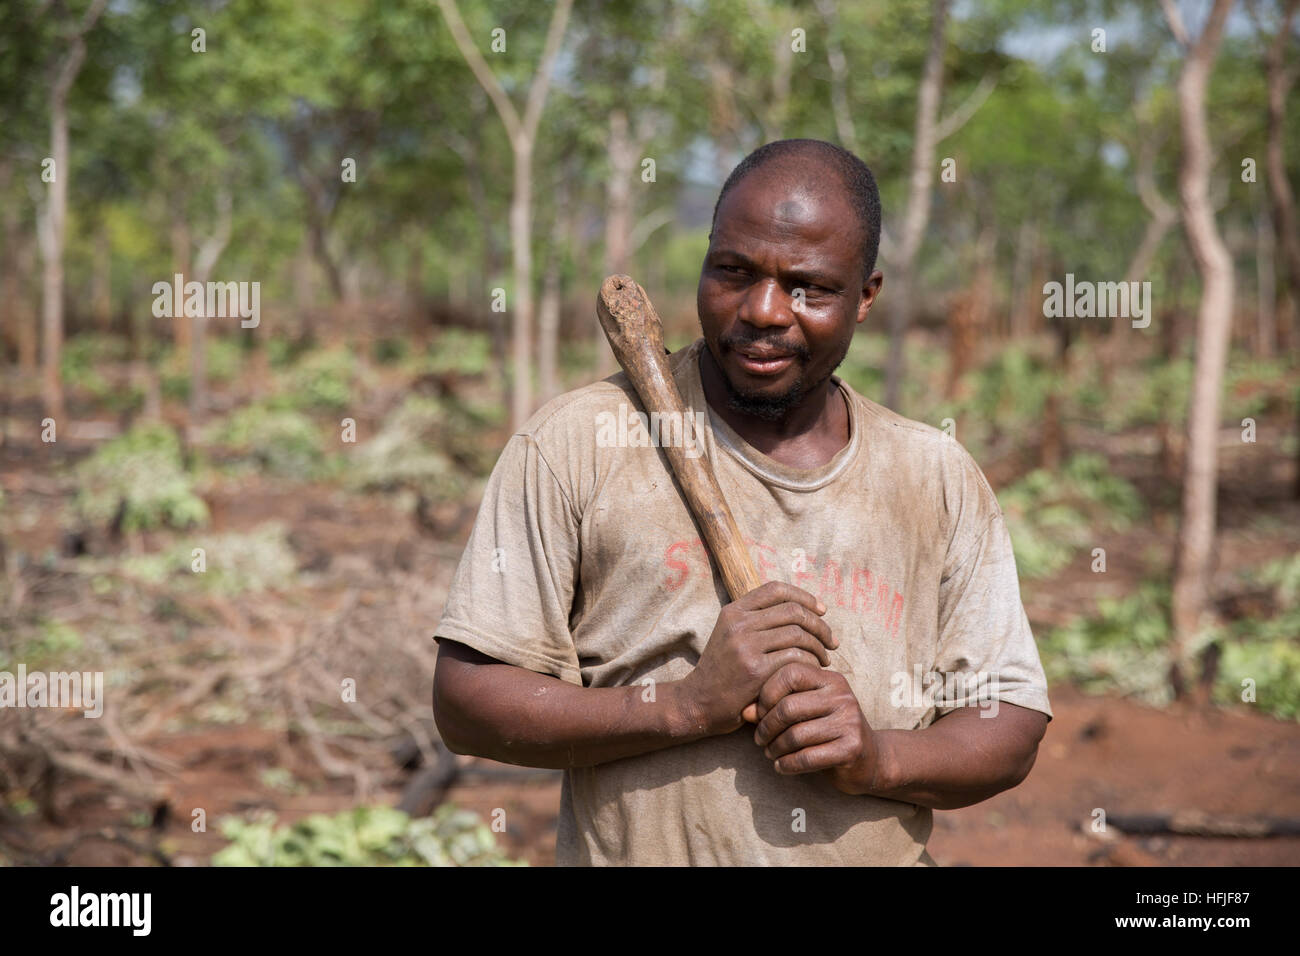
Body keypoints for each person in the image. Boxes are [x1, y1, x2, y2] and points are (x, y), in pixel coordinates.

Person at [432, 138, 1052, 866]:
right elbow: (467, 701)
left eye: (809, 287)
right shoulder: (578, 443)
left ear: (867, 296)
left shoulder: (934, 477)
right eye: (734, 271)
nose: (763, 311)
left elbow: (1006, 722)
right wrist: (685, 706)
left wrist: (875, 759)